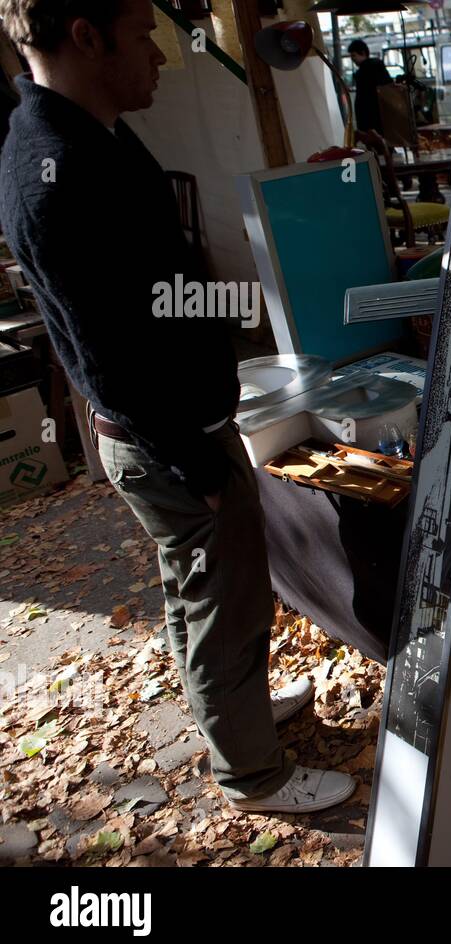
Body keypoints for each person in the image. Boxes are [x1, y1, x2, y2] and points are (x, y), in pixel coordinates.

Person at [0, 0, 356, 813]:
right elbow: (103, 354)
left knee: (212, 590)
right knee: (218, 602)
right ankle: (253, 775)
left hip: (183, 420)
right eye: (140, 35)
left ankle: (238, 717)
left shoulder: (94, 132)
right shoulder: (52, 169)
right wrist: (191, 459)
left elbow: (149, 288)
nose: (162, 53)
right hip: (166, 436)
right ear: (85, 35)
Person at [349, 38, 392, 134]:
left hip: (368, 117)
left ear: (363, 53)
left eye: (354, 55)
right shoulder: (377, 65)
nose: (352, 59)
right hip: (382, 116)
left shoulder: (363, 71)